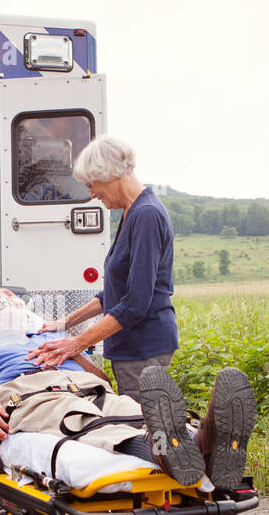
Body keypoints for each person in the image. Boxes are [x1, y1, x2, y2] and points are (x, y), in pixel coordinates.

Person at [0, 290, 256, 490]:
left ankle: (206, 443)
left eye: (17, 304)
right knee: (83, 419)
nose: (11, 307)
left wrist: (70, 351)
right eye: (0, 306)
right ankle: (162, 450)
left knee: (129, 408)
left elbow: (102, 379)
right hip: (30, 393)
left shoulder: (54, 338)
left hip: (86, 386)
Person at [31, 134, 178, 400]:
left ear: (110, 173)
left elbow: (135, 303)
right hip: (131, 346)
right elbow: (112, 295)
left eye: (91, 184)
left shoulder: (146, 215)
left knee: (138, 429)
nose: (91, 194)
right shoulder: (131, 213)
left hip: (143, 346)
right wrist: (64, 323)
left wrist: (75, 344)